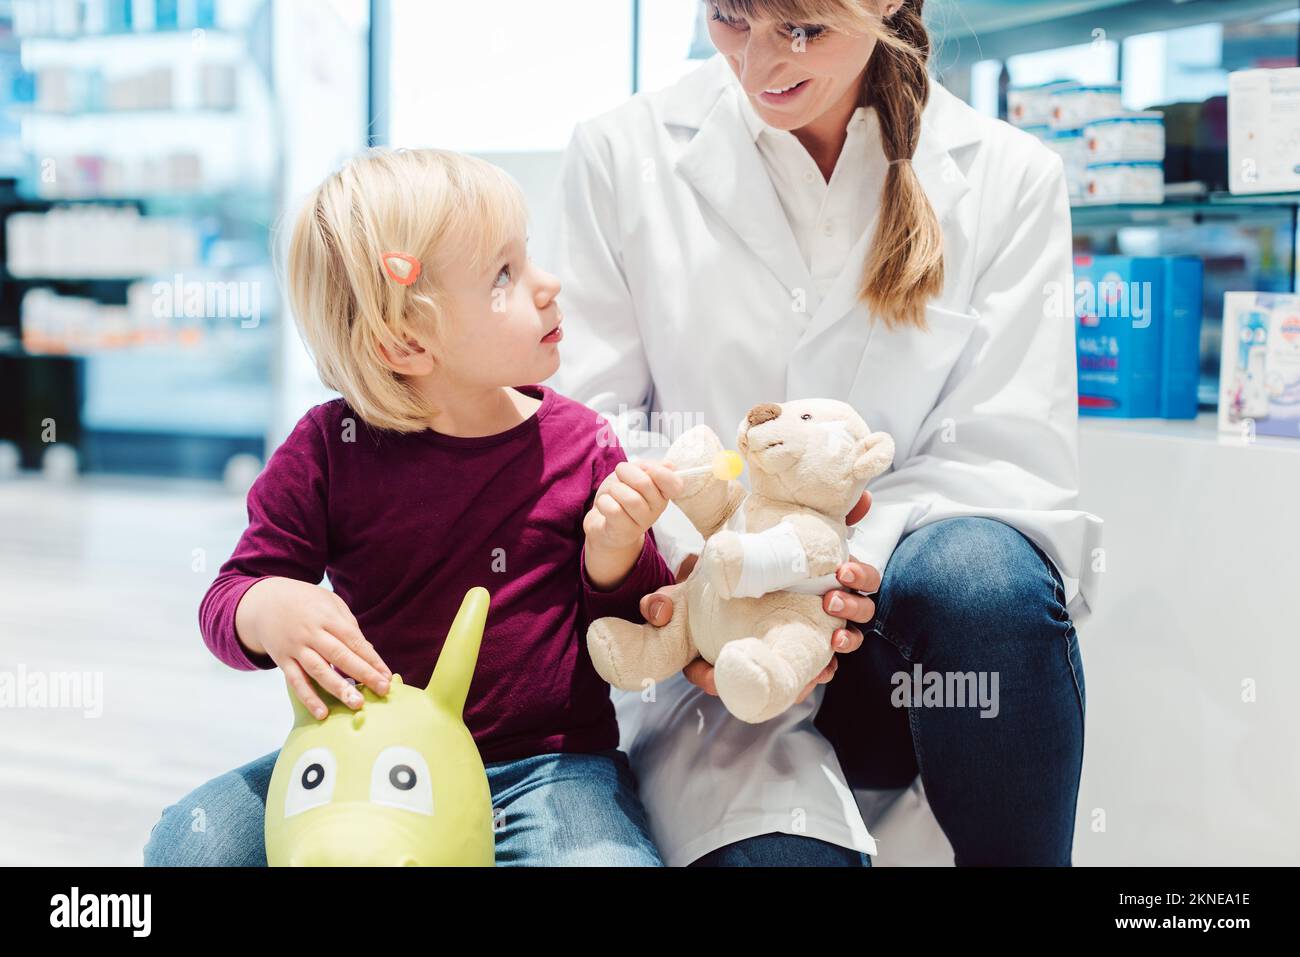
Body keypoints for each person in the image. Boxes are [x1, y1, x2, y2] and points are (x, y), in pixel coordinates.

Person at [547, 0, 1101, 866]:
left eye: (801, 28)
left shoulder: (1006, 176)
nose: (761, 61)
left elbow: (1004, 462)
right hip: (709, 666)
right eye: (732, 17)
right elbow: (591, 435)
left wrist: (815, 576)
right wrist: (709, 584)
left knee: (983, 579)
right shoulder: (623, 155)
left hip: (896, 650)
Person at [144, 148, 682, 866]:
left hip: (541, 769)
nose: (548, 284)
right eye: (505, 275)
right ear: (405, 341)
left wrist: (615, 556)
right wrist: (268, 606)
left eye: (528, 258)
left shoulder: (583, 444)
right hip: (366, 765)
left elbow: (627, 638)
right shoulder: (327, 449)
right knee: (189, 845)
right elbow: (228, 597)